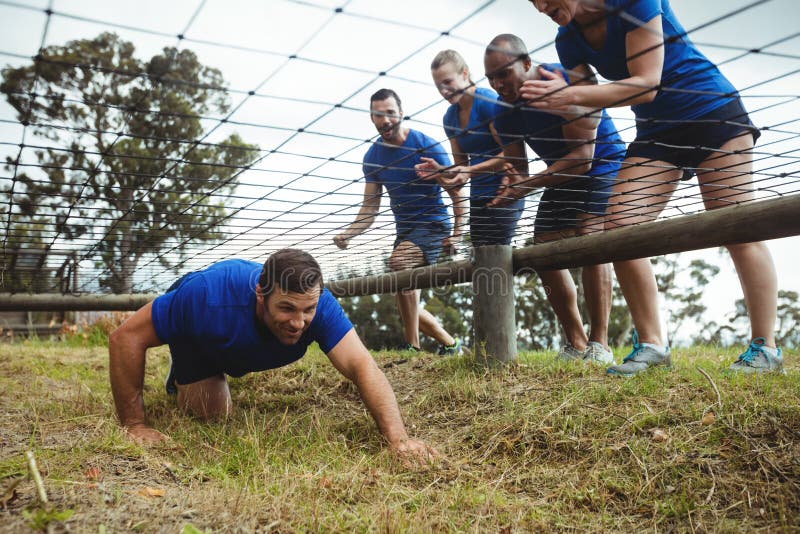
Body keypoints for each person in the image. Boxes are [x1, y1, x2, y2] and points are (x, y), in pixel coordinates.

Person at [525, 0, 783, 375]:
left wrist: (573, 96)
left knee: (737, 226)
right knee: (619, 229)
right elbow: (588, 112)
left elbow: (647, 84)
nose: (541, 6)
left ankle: (766, 349)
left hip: (711, 110)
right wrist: (557, 102)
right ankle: (652, 344)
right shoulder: (567, 40)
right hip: (658, 133)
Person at [108, 249, 440, 464]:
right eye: (286, 308)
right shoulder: (205, 297)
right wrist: (134, 424)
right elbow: (125, 338)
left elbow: (361, 365)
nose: (299, 322)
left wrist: (399, 440)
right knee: (210, 417)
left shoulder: (321, 308)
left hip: (239, 342)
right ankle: (180, 371)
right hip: (201, 339)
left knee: (218, 413)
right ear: (260, 295)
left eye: (307, 309)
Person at [483, 33, 626, 363]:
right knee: (543, 248)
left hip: (602, 163)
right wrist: (510, 185)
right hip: (560, 173)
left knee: (591, 238)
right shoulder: (502, 111)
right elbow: (518, 167)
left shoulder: (561, 79)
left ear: (527, 63)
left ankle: (600, 343)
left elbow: (583, 158)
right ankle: (575, 341)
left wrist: (527, 184)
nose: (498, 83)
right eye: (491, 77)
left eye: (504, 73)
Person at [334, 88, 463, 355]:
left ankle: (412, 348)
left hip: (434, 225)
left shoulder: (426, 145)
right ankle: (452, 345)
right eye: (378, 115)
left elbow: (456, 192)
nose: (385, 120)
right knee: (404, 295)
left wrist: (459, 233)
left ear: (401, 113)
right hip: (405, 232)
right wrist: (348, 233)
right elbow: (369, 209)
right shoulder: (372, 158)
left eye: (390, 113)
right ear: (372, 118)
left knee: (399, 265)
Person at [414, 49, 525, 248]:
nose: (444, 91)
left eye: (448, 82)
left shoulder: (487, 102)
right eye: (439, 86)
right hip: (479, 196)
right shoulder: (449, 119)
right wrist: (441, 171)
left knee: (495, 257)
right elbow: (461, 167)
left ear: (464, 74)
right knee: (481, 261)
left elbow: (511, 154)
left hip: (506, 190)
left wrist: (469, 171)